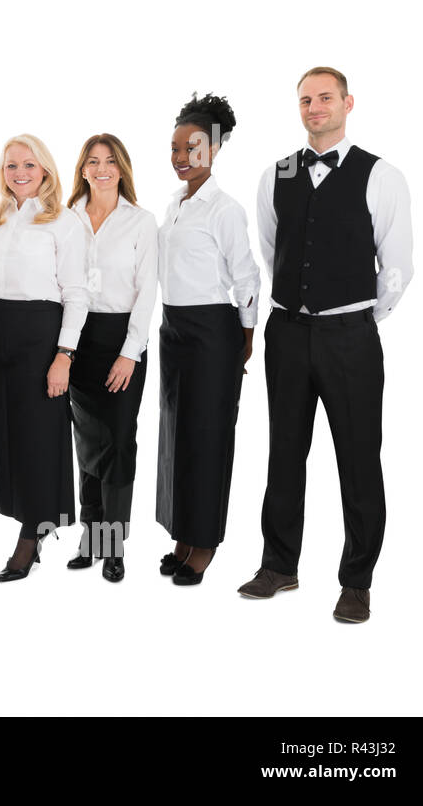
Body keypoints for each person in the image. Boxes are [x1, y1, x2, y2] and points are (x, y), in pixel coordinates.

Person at [238, 67, 413, 624]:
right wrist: (300, 307)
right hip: (287, 332)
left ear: (348, 103)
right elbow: (273, 250)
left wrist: (356, 318)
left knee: (358, 459)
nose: (315, 107)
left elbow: (397, 268)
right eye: (306, 100)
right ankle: (279, 564)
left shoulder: (382, 175)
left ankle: (356, 580)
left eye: (325, 98)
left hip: (350, 337)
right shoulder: (276, 173)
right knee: (284, 453)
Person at [0, 134, 88, 582]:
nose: (19, 173)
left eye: (28, 165)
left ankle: (31, 536)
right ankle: (22, 518)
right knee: (2, 434)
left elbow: (77, 294)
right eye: (11, 165)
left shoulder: (65, 222)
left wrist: (64, 357)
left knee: (38, 437)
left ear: (46, 171)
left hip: (40, 338)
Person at [156, 93, 259, 586]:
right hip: (173, 330)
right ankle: (182, 533)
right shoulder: (174, 204)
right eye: (174, 148)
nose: (181, 157)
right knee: (177, 436)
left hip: (214, 332)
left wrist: (245, 335)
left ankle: (206, 543)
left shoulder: (225, 208)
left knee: (209, 437)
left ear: (213, 149)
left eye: (191, 147)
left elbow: (247, 278)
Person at [63, 134, 158, 582]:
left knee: (118, 442)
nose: (101, 169)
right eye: (93, 161)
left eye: (110, 161)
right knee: (86, 444)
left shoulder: (140, 222)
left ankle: (114, 545)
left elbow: (146, 293)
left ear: (122, 168)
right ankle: (92, 537)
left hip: (122, 336)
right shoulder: (66, 219)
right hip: (74, 339)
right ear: (82, 168)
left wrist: (129, 353)